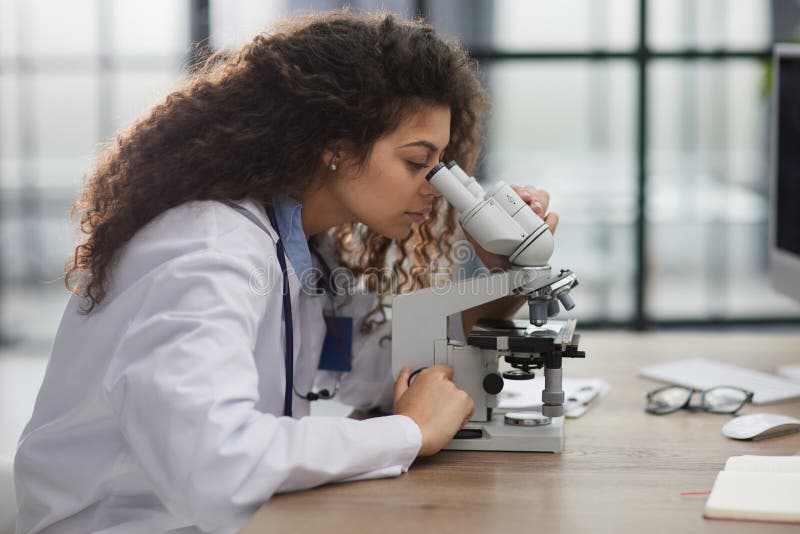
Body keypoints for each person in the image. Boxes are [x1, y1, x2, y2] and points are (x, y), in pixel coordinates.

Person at [13, 10, 558, 534]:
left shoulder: (300, 254)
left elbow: (391, 373)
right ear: (336, 148)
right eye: (418, 162)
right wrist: (408, 432)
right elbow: (217, 467)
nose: (433, 188)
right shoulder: (207, 253)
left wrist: (503, 277)